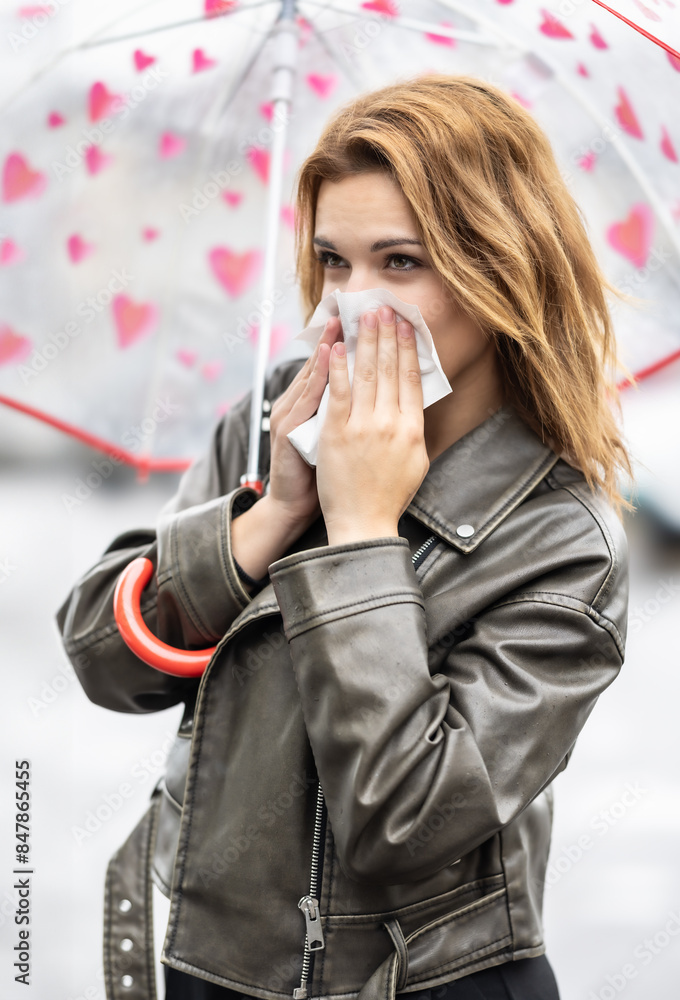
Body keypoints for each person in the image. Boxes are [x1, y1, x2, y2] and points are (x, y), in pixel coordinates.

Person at [57, 75, 632, 1000]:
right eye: (334, 261)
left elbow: (406, 825)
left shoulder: (560, 541)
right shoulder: (281, 415)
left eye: (400, 261)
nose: (355, 302)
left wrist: (361, 529)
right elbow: (102, 657)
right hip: (206, 965)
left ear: (498, 268)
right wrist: (273, 516)